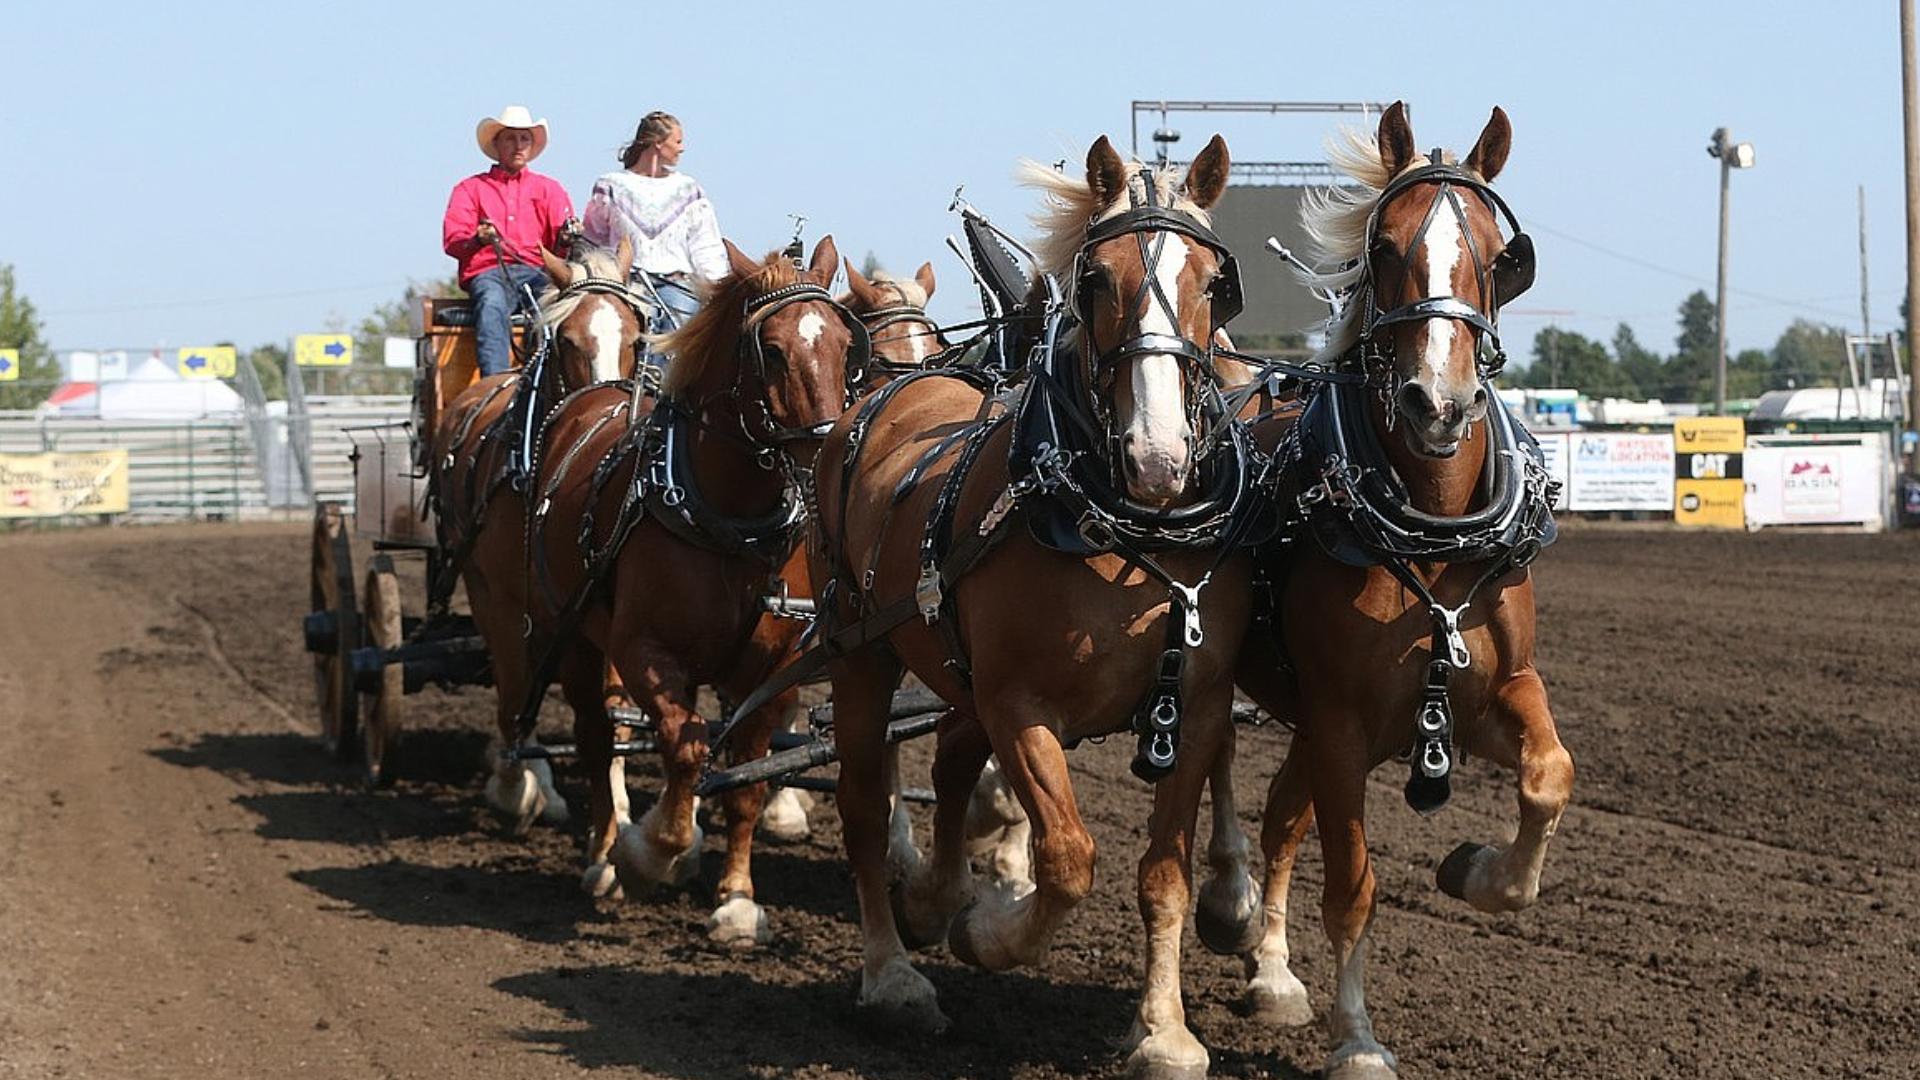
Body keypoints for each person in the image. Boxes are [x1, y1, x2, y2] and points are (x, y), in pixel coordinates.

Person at [442, 105, 576, 376]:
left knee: (561, 309)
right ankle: (496, 381)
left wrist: (566, 237)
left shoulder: (550, 189)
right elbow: (454, 241)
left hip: (539, 273)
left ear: (531, 145)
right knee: (492, 304)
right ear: (497, 144)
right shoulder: (470, 189)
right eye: (510, 138)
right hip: (490, 273)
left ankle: (551, 379)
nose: (518, 145)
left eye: (524, 138)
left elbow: (562, 247)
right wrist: (478, 239)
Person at [582, 112, 727, 353]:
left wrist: (718, 290)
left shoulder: (688, 190)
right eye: (678, 141)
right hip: (627, 284)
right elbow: (594, 241)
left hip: (676, 284)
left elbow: (706, 246)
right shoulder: (610, 186)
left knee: (677, 330)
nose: (682, 148)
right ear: (658, 143)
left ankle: (663, 378)